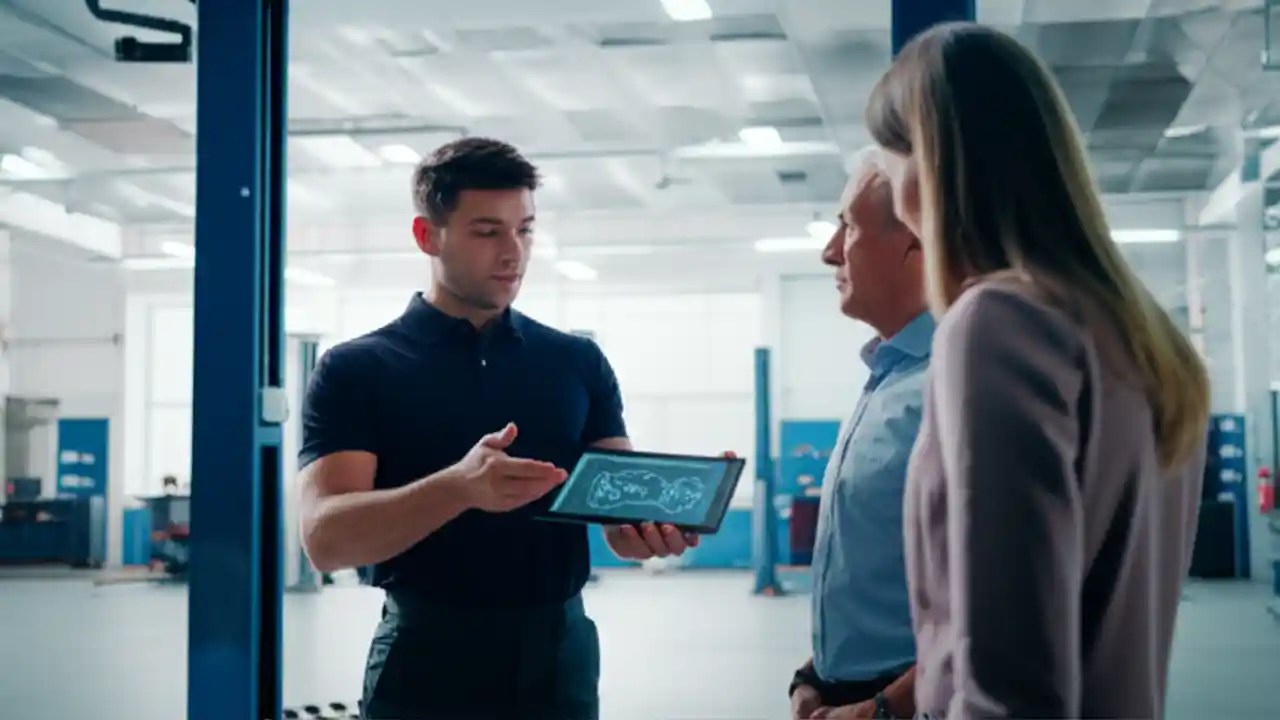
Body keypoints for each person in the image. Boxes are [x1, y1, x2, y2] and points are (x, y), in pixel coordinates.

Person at [866, 23, 1209, 719]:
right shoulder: (1144, 335)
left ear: (929, 163)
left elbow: (1010, 685)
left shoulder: (998, 322)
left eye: (889, 159)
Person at [295, 137, 702, 720]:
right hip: (427, 657)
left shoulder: (576, 361)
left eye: (526, 229)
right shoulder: (358, 369)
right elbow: (324, 540)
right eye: (487, 232)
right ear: (426, 236)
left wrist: (648, 530)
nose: (514, 252)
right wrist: (457, 488)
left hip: (560, 653)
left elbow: (616, 514)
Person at [787, 148, 928, 720]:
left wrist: (884, 710)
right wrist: (817, 674)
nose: (829, 252)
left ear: (917, 242)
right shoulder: (889, 376)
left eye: (848, 226)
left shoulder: (959, 384)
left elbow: (1003, 606)